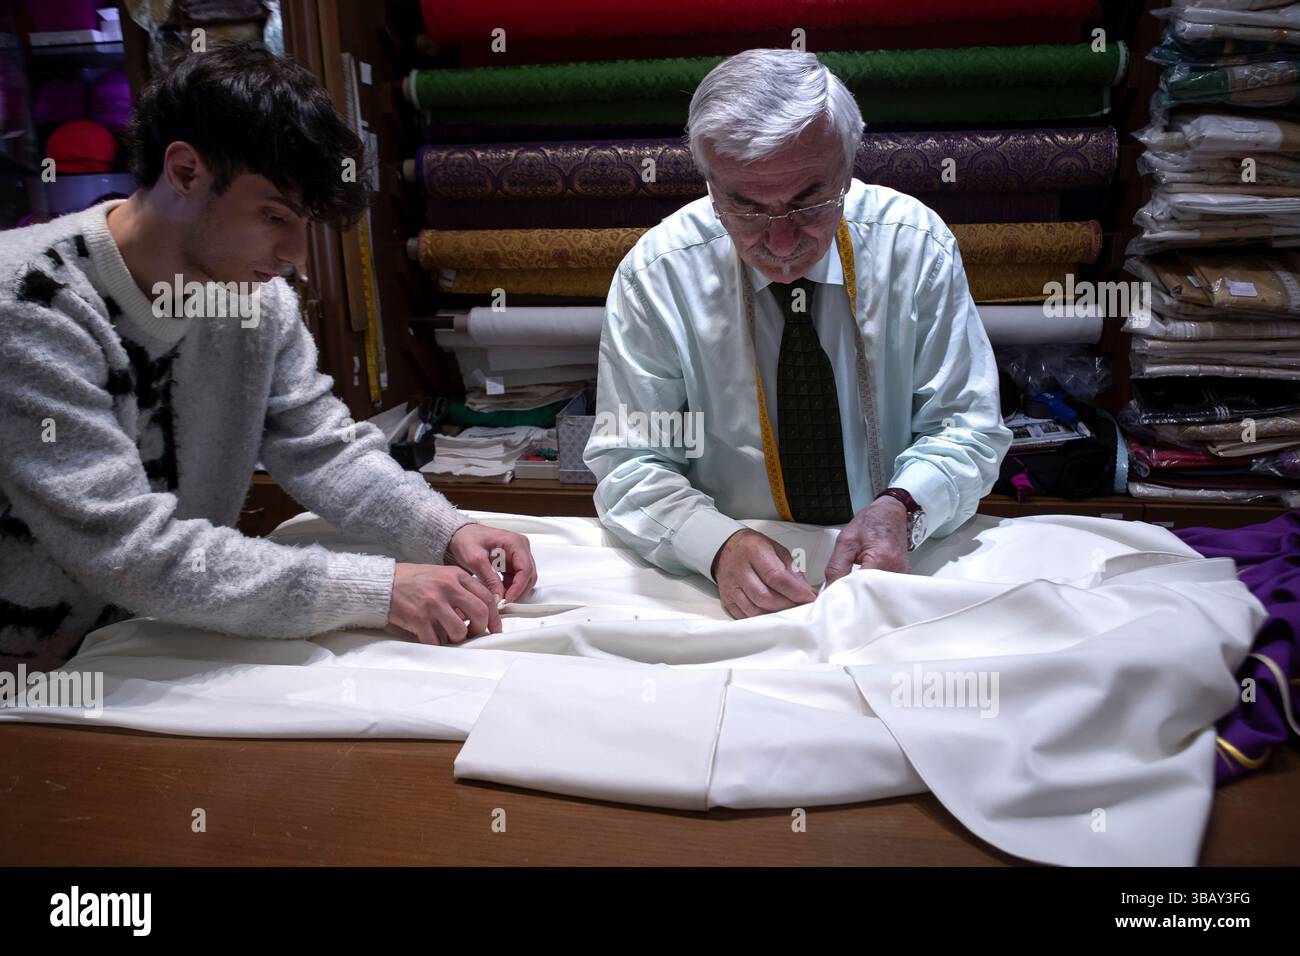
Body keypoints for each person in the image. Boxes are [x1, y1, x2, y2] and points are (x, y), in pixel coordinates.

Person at [0, 44, 535, 673]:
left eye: (304, 222)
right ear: (185, 172)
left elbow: (324, 449)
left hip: (152, 646)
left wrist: (444, 529)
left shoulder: (255, 304)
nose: (296, 255)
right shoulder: (29, 302)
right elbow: (125, 549)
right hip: (32, 680)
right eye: (273, 215)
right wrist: (377, 589)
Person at [584, 48, 1011, 620]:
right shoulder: (657, 275)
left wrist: (905, 507)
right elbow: (632, 460)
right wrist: (716, 544)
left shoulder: (914, 246)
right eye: (745, 208)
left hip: (898, 559)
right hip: (729, 576)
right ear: (710, 184)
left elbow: (966, 428)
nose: (781, 243)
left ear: (848, 169)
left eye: (809, 201)